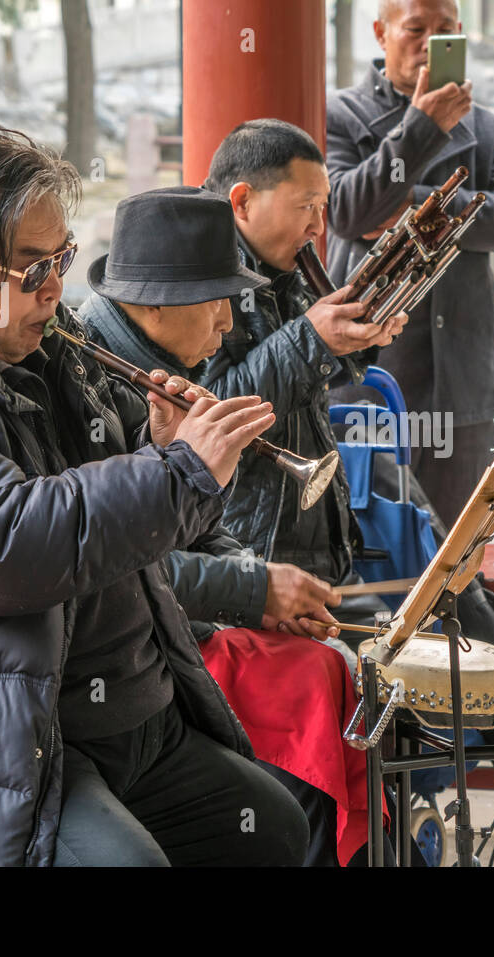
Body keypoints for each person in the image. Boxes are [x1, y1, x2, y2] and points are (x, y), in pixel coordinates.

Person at [0, 127, 309, 866]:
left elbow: (110, 507)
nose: (55, 289)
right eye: (33, 267)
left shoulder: (38, 340)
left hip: (108, 714)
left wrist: (164, 452)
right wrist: (179, 471)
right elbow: (1, 549)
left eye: (62, 259)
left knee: (271, 828)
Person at [200, 116, 494, 859]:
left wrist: (346, 341)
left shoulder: (275, 269)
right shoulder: (195, 275)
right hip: (253, 549)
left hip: (319, 530)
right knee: (449, 622)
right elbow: (215, 401)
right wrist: (312, 337)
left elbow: (307, 380)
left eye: (322, 205)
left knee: (466, 604)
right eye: (306, 207)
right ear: (242, 201)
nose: (319, 224)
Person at [78, 184, 405, 866]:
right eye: (216, 300)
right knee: (321, 722)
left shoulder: (158, 366)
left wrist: (260, 580)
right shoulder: (90, 384)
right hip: (124, 671)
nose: (229, 322)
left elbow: (192, 530)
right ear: (152, 304)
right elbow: (119, 563)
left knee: (344, 681)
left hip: (166, 643)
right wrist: (253, 590)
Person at [326, 0, 494, 528]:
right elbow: (349, 211)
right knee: (370, 542)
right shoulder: (342, 115)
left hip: (462, 374)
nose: (428, 43)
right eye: (414, 29)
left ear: (460, 35)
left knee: (455, 548)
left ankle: (457, 617)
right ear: (381, 33)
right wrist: (421, 126)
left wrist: (414, 205)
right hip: (371, 371)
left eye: (444, 32)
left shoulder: (484, 128)